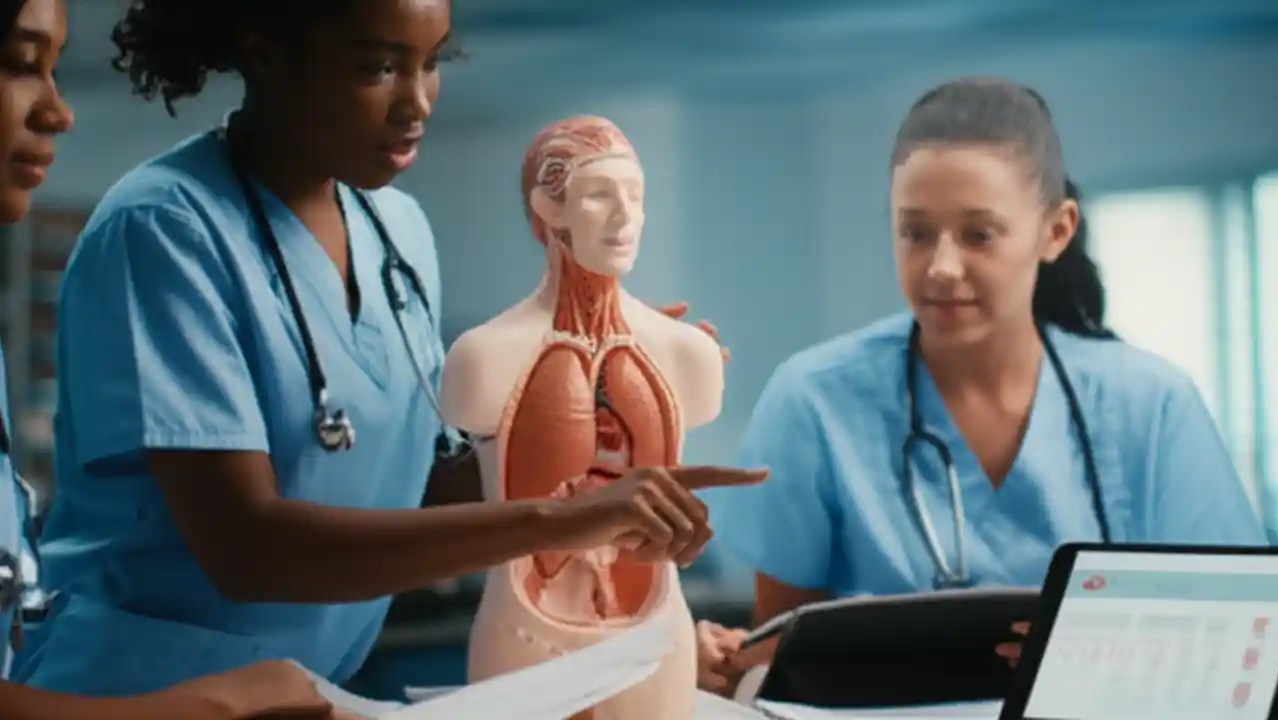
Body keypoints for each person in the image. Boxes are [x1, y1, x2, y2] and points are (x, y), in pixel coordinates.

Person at [13, 0, 764, 697]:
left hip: (303, 697)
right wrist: (562, 520)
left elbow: (421, 487)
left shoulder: (397, 232)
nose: (418, 103)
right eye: (378, 68)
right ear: (266, 53)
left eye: (431, 63)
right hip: (137, 693)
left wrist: (586, 396)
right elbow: (249, 549)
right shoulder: (165, 231)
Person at [695, 77, 1267, 695]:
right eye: (915, 233)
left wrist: (1096, 658)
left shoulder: (1151, 405)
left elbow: (1238, 644)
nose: (941, 267)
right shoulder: (813, 401)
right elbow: (782, 661)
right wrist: (720, 665)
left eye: (979, 234)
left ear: (1056, 231)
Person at [0, 1, 365, 717]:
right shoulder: (160, 225)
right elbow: (245, 541)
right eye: (19, 65)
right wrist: (207, 707)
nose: (57, 113)